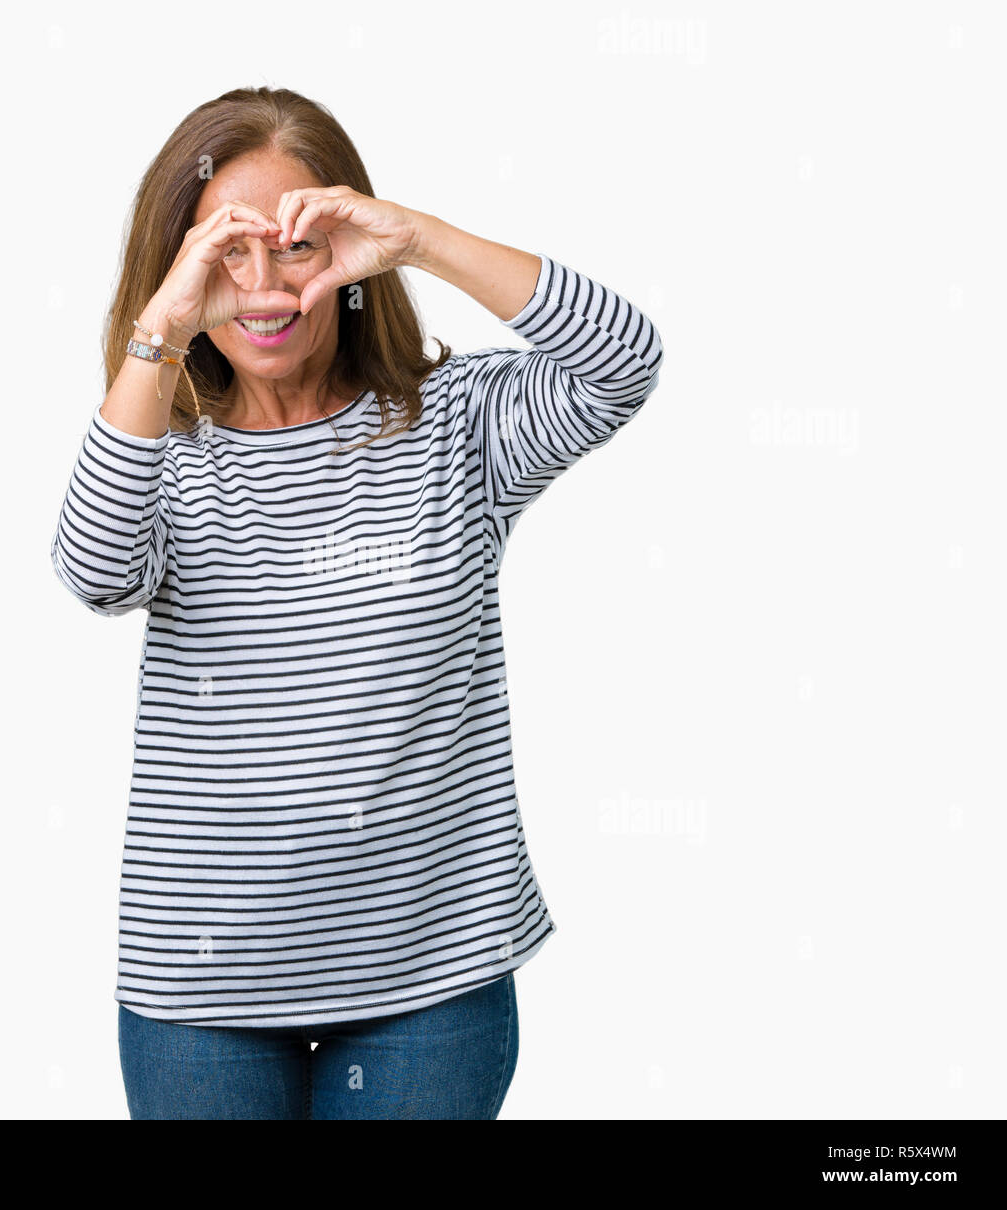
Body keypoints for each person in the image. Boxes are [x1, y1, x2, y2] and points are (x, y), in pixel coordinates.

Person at [50, 86, 664, 1120]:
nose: (264, 288)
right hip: (203, 988)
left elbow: (624, 360)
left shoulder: (460, 423)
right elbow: (95, 570)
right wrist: (157, 329)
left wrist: (419, 239)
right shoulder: (158, 442)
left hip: (430, 978)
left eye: (295, 245)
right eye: (223, 253)